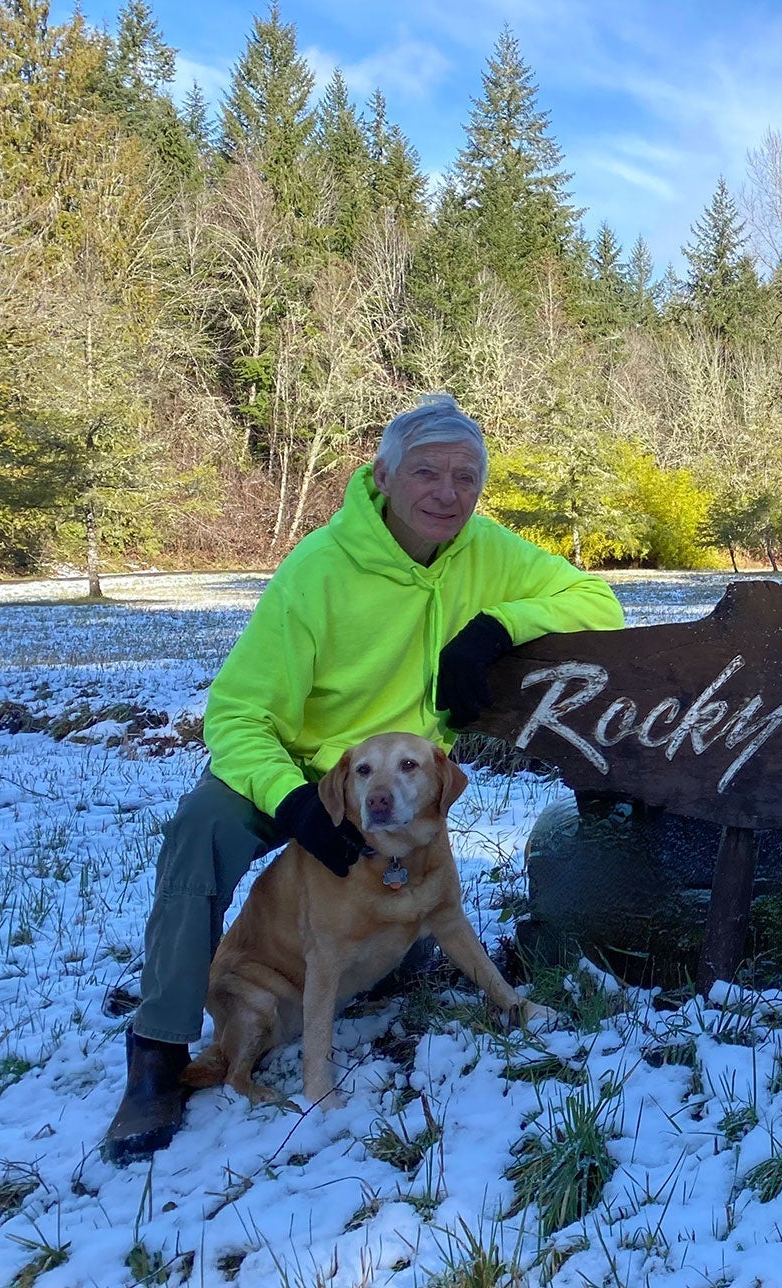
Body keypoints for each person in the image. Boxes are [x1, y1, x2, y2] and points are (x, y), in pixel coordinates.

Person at [102, 394, 623, 1164]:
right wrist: (292, 802)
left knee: (404, 910)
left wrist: (494, 628)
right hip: (295, 771)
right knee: (201, 829)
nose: (447, 493)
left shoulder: (484, 550)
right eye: (426, 473)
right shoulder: (318, 570)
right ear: (382, 476)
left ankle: (375, 962)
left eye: (466, 478)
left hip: (400, 783)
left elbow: (599, 601)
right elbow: (237, 713)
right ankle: (156, 1053)